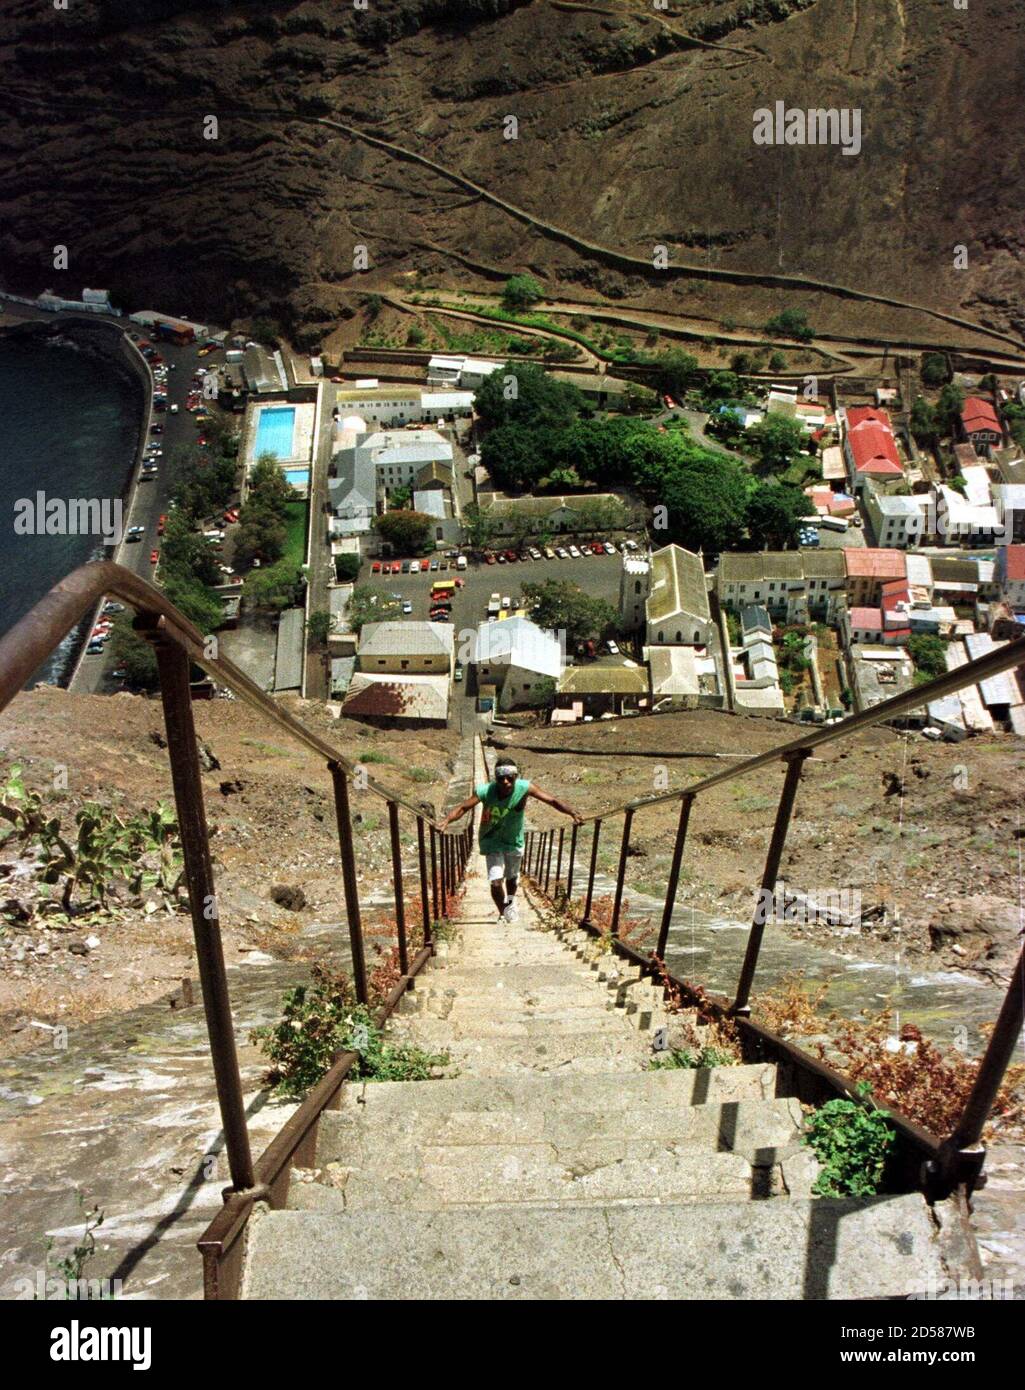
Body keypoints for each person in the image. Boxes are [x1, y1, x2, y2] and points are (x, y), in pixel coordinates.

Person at [439, 761, 582, 923]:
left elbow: (552, 801)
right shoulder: (486, 791)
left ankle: (511, 901)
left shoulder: (525, 788)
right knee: (496, 880)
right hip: (491, 840)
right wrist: (446, 821)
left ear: (515, 777)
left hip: (514, 840)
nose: (505, 782)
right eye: (501, 779)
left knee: (512, 878)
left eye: (509, 778)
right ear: (496, 779)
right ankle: (504, 912)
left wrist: (572, 813)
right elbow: (464, 808)